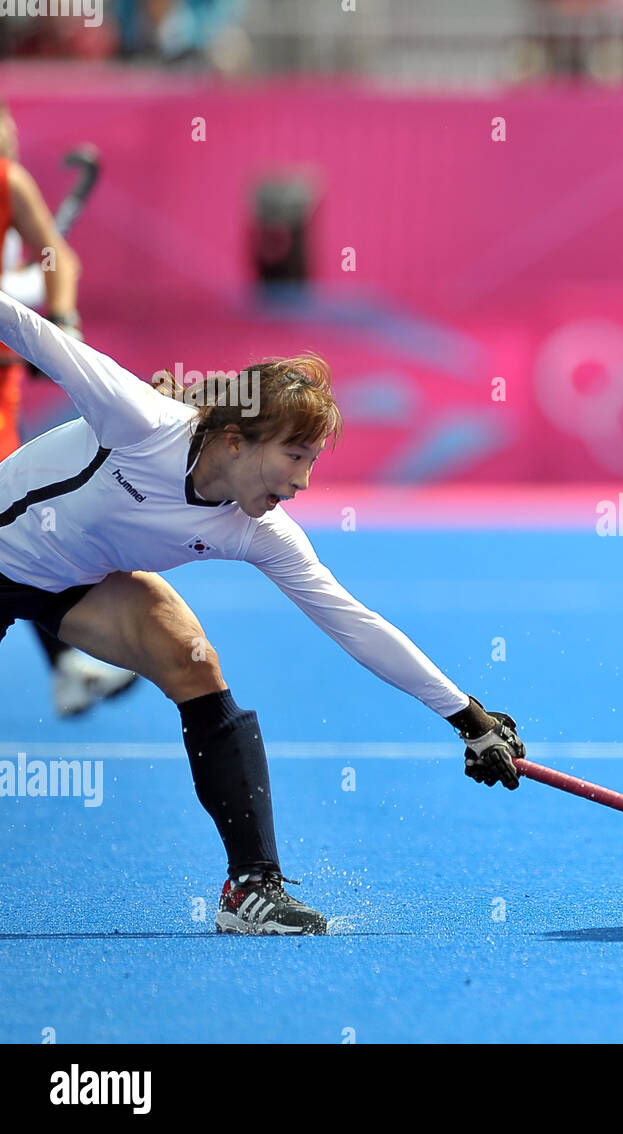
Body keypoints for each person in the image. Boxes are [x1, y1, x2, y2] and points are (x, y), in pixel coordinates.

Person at [0, 287, 525, 935]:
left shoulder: (259, 530)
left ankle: (252, 888)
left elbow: (352, 621)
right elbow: (24, 327)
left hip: (77, 582)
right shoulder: (137, 418)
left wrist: (466, 716)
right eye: (294, 457)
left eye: (312, 462)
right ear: (234, 443)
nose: (302, 483)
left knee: (193, 662)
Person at [0, 95, 139, 716]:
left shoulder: (8, 183)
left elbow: (60, 259)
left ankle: (65, 666)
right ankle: (65, 668)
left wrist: (63, 322)